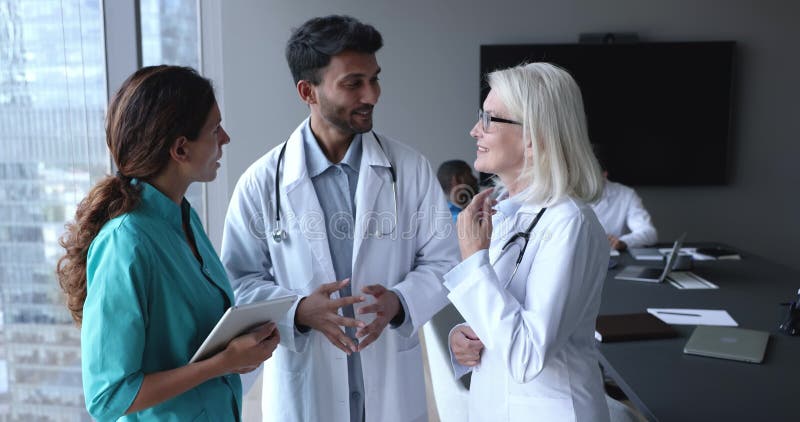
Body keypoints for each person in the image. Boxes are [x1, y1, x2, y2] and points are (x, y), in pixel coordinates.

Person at [221, 15, 458, 422]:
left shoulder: (410, 169)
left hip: (389, 392)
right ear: (307, 91)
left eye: (374, 79)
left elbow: (445, 262)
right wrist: (297, 311)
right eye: (353, 83)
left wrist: (400, 302)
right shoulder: (262, 182)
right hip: (305, 387)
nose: (372, 95)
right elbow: (237, 282)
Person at [56, 65, 279, 421]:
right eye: (214, 129)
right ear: (180, 149)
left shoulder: (184, 219)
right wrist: (223, 363)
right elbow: (108, 397)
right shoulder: (125, 244)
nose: (225, 139)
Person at [446, 62, 611, 421]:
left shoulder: (571, 223)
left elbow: (526, 355)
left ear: (535, 136)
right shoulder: (505, 211)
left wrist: (472, 261)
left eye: (490, 119)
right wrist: (465, 335)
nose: (475, 130)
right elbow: (503, 312)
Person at [590, 144, 657, 250]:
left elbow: (649, 233)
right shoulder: (565, 195)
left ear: (604, 174)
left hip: (611, 261)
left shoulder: (625, 195)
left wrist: (622, 242)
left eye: (590, 174)